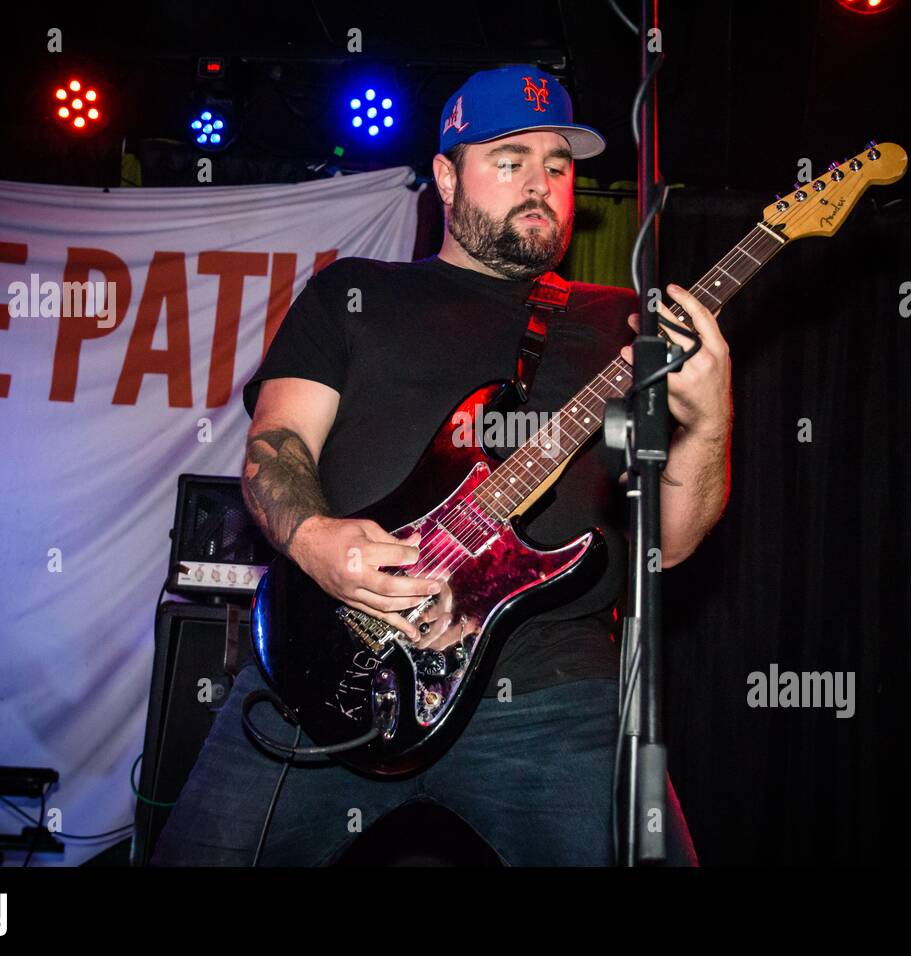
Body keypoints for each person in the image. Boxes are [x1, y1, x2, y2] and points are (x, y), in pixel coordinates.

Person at [151, 64, 732, 867]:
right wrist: (320, 542)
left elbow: (674, 542)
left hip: (554, 691)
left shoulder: (626, 326)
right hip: (327, 664)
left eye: (559, 167)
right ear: (446, 175)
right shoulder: (355, 293)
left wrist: (710, 418)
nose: (542, 184)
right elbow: (272, 451)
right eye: (510, 161)